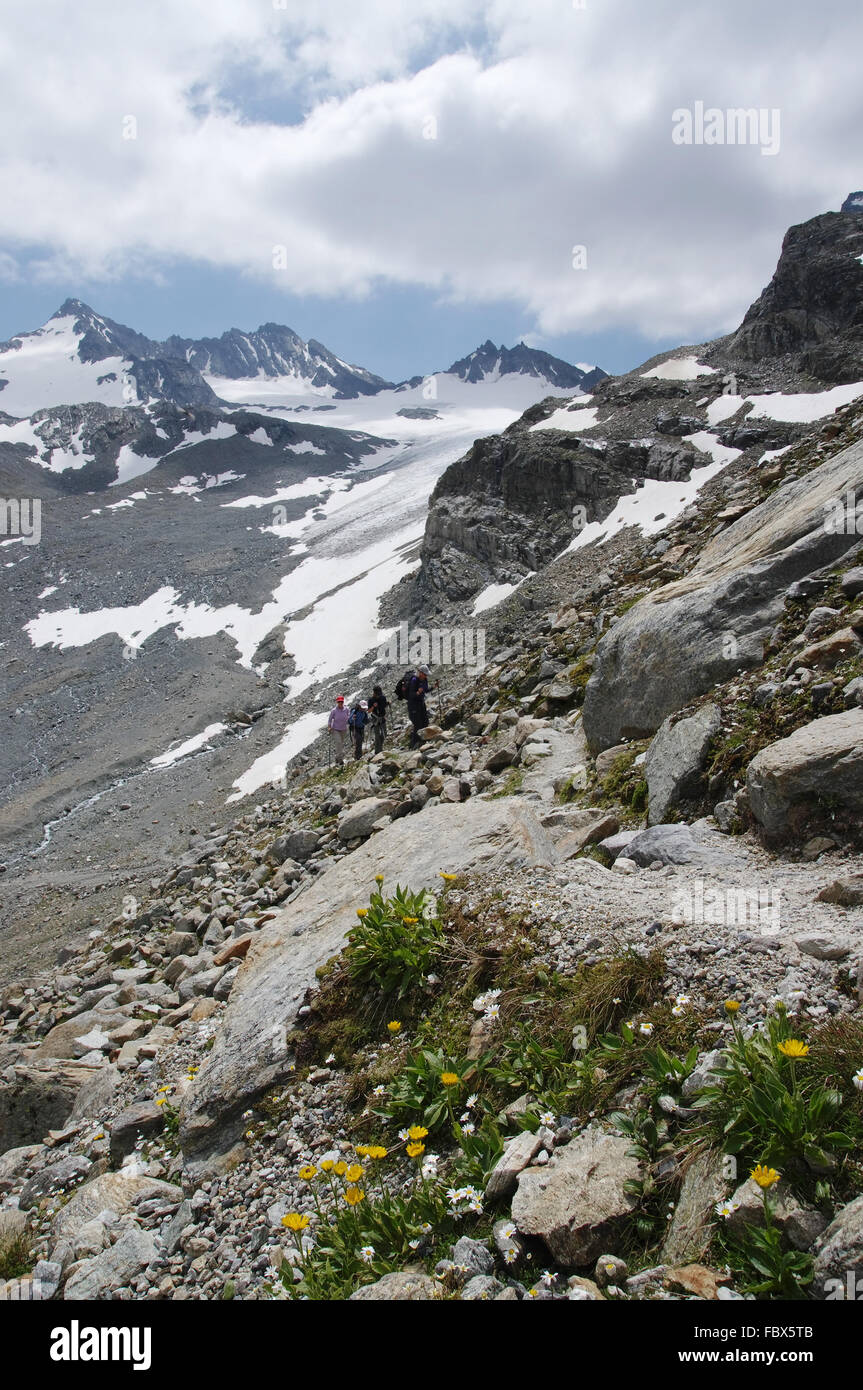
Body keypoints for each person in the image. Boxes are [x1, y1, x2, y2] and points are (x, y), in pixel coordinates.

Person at [407, 665, 432, 749]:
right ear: (420, 673)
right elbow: (411, 695)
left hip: (421, 703)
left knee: (425, 721)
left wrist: (434, 687)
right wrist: (417, 692)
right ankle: (413, 745)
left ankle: (423, 741)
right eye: (425, 674)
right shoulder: (414, 680)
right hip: (413, 705)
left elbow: (426, 690)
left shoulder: (424, 679)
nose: (426, 676)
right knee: (417, 724)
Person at [328, 694, 350, 765]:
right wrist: (329, 727)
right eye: (339, 702)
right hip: (335, 729)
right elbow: (330, 719)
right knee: (339, 743)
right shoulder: (334, 710)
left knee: (341, 744)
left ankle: (337, 757)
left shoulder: (346, 709)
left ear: (343, 702)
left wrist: (352, 719)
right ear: (337, 702)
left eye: (341, 702)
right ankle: (340, 760)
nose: (340, 703)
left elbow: (349, 716)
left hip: (343, 729)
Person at [368, 684, 388, 754]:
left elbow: (384, 705)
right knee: (377, 735)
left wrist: (387, 703)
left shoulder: (383, 698)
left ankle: (381, 748)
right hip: (375, 718)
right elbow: (369, 711)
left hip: (382, 718)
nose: (378, 695)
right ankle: (377, 751)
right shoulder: (371, 700)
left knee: (384, 734)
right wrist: (373, 706)